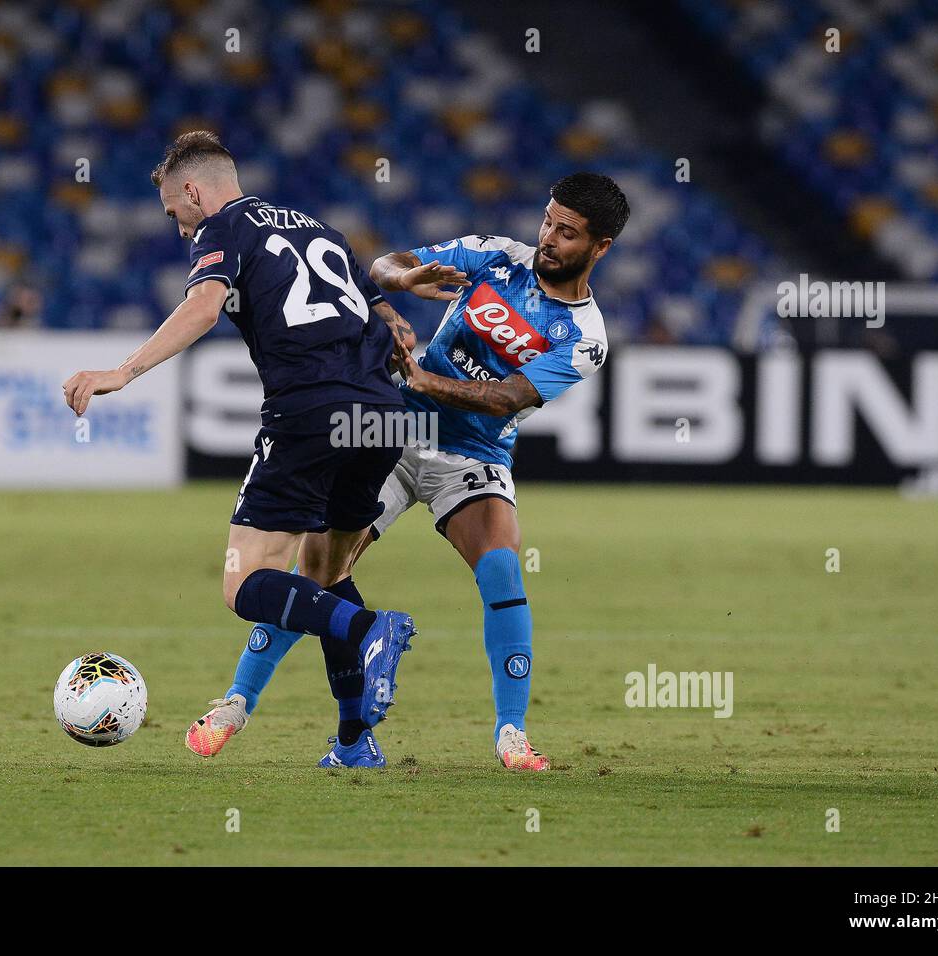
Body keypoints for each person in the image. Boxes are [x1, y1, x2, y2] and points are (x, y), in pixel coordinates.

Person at [194, 172, 628, 771]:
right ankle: (238, 703)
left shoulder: (585, 337)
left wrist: (426, 380)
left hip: (475, 454)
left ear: (601, 247)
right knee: (319, 570)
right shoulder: (496, 255)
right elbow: (382, 266)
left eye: (568, 233)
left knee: (502, 569)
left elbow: (508, 397)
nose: (548, 238)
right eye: (548, 221)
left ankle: (511, 733)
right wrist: (405, 279)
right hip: (394, 432)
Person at [62, 130, 425, 749]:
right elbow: (393, 323)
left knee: (243, 584)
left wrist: (123, 371)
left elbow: (203, 308)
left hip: (309, 412)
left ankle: (371, 630)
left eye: (174, 213)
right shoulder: (322, 231)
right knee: (325, 574)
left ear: (193, 191)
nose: (180, 228)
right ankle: (353, 743)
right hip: (382, 416)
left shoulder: (222, 228)